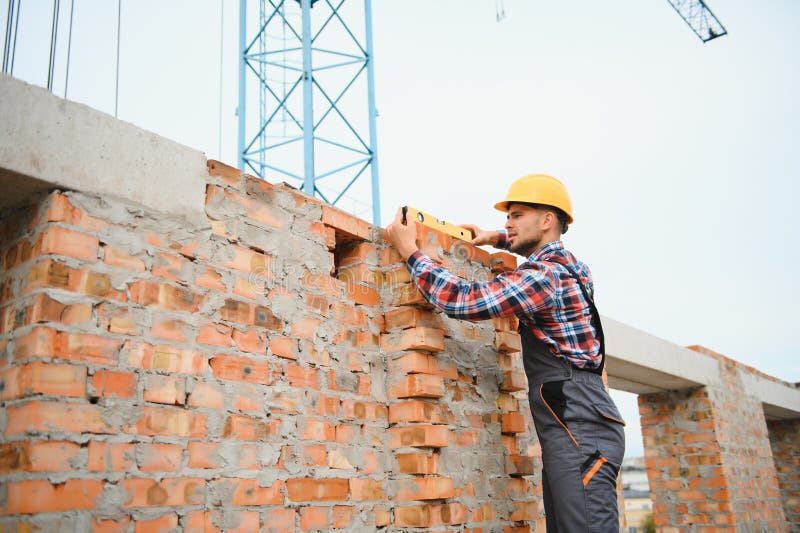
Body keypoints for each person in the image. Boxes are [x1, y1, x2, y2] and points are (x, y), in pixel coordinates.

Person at [385, 174, 625, 532]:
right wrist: (496, 238)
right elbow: (545, 250)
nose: (507, 223)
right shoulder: (572, 268)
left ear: (546, 220)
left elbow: (465, 300)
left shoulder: (544, 277)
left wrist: (411, 253)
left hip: (579, 426)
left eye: (516, 215)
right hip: (581, 420)